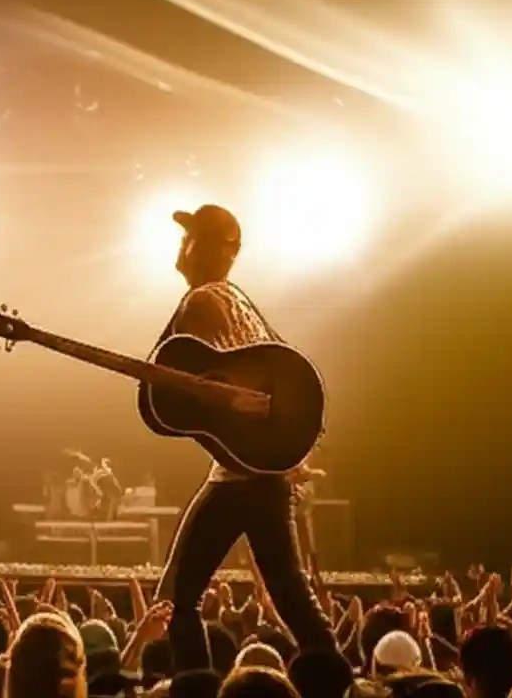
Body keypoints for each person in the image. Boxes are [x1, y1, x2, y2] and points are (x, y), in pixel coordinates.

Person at [140, 204, 336, 672]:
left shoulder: (201, 303)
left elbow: (181, 380)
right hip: (257, 472)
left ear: (196, 246)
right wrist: (291, 445)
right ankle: (333, 676)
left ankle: (196, 685)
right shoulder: (238, 299)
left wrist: (225, 406)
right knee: (290, 592)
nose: (178, 249)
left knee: (177, 598)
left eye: (185, 239)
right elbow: (284, 373)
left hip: (240, 475)